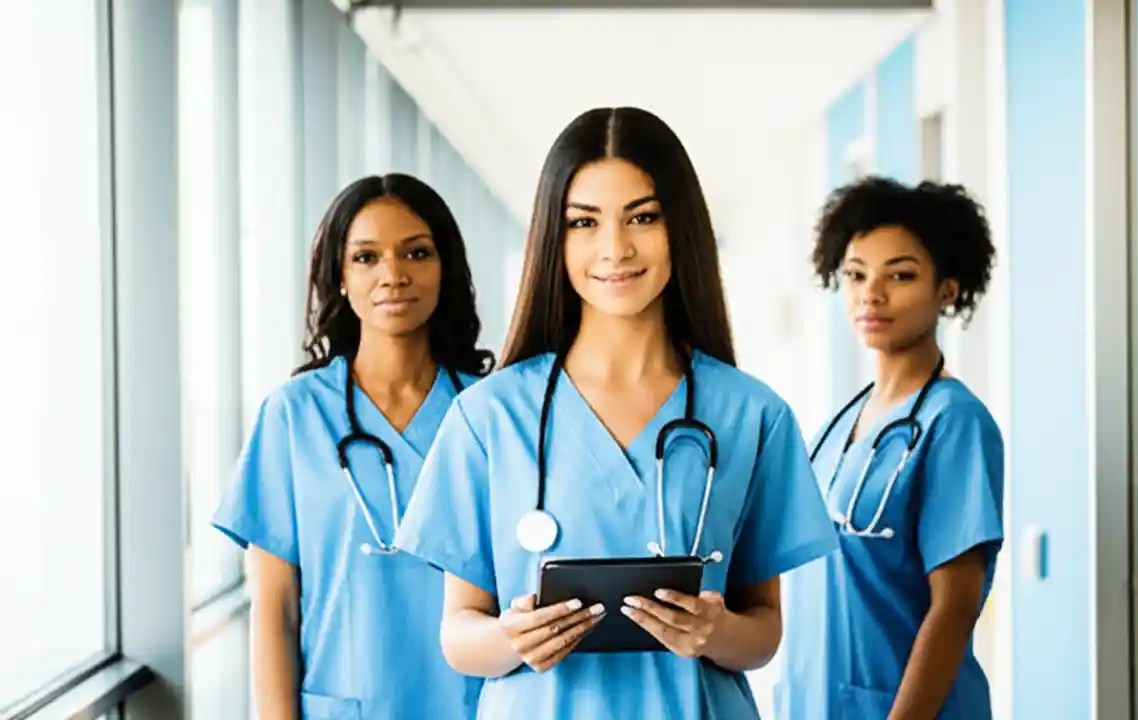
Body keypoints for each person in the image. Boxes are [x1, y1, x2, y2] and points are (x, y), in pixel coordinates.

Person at [392, 107, 838, 720]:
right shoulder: (488, 416)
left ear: (680, 226)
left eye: (643, 217)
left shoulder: (751, 414)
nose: (615, 248)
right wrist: (511, 639)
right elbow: (458, 635)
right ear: (554, 238)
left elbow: (763, 634)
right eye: (584, 222)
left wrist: (715, 632)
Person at [211, 173, 492, 719]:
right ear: (339, 275)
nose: (394, 274)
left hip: (473, 703)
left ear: (446, 268)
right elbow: (275, 608)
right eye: (366, 257)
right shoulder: (293, 416)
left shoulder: (488, 412)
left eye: (417, 252)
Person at [775, 176, 1005, 720]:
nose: (871, 294)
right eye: (856, 275)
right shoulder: (836, 426)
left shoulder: (953, 422)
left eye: (901, 275)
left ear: (947, 290)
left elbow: (955, 607)